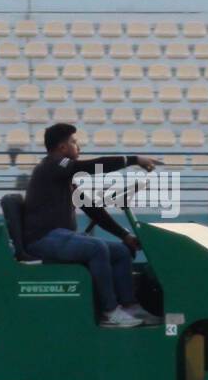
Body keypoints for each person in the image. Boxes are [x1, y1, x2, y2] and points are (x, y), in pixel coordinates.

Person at [23, 123, 162, 328]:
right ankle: (109, 312)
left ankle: (130, 306)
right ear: (62, 148)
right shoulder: (53, 166)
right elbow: (90, 167)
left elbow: (92, 208)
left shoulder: (65, 177)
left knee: (121, 251)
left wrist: (124, 236)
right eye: (74, 142)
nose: (78, 146)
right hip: (43, 239)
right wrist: (133, 160)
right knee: (97, 248)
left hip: (61, 237)